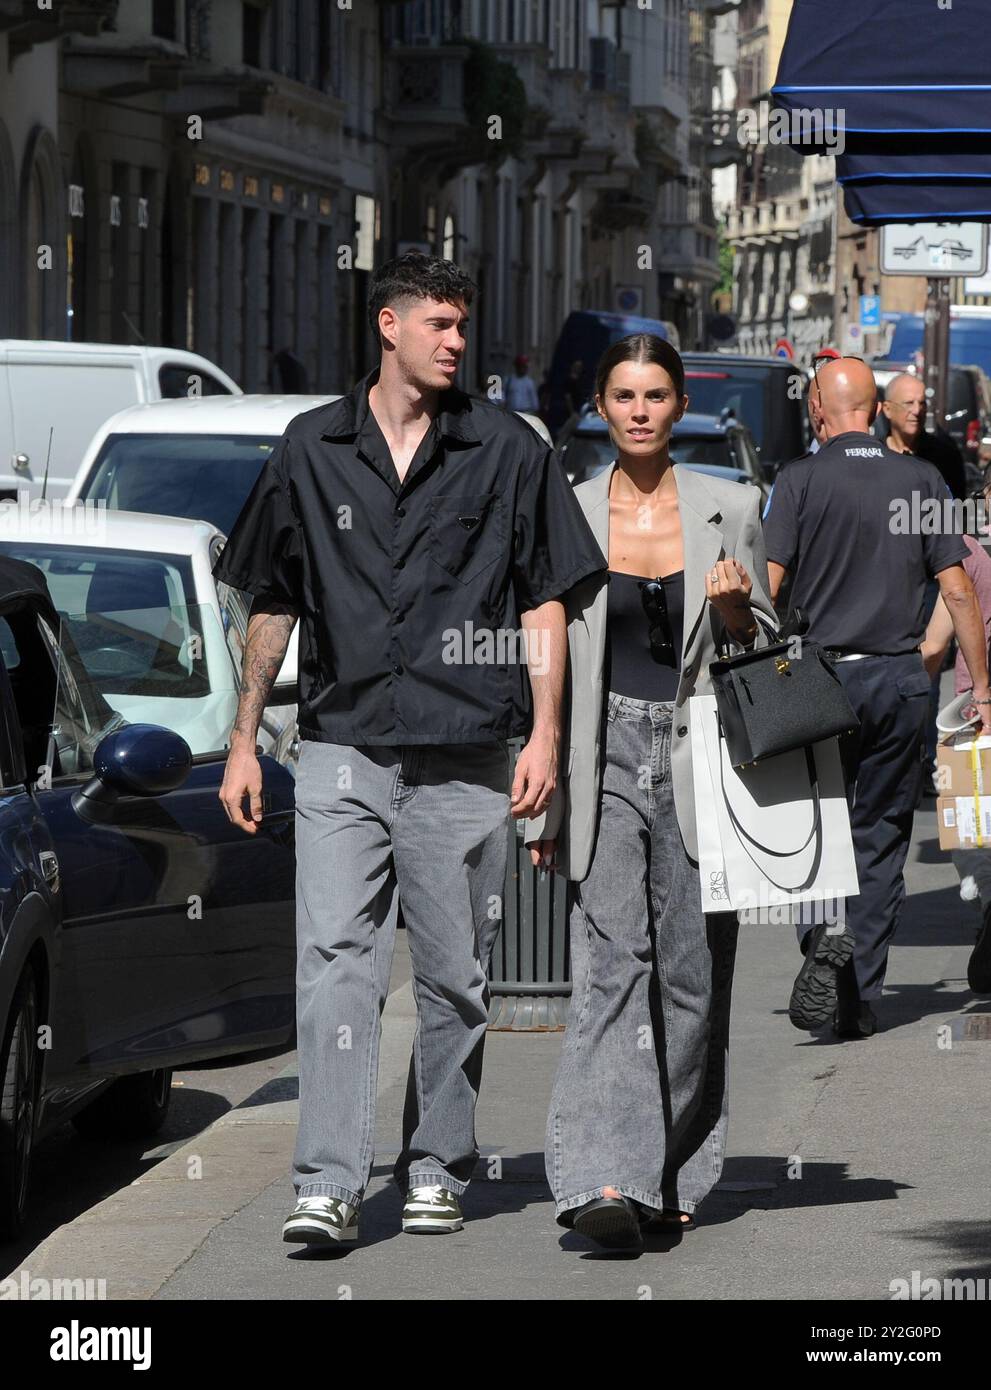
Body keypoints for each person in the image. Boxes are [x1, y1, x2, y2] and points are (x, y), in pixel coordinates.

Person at [211, 252, 606, 1246]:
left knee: (454, 977)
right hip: (340, 747)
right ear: (388, 326)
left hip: (465, 752)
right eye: (440, 323)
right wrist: (244, 740)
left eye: (462, 325)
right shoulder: (310, 448)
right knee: (333, 967)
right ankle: (327, 1184)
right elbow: (273, 599)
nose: (457, 341)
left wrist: (546, 733)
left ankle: (435, 1163)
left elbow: (544, 599)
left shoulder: (506, 448)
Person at [524, 334, 778, 1251]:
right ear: (599, 405)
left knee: (691, 975)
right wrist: (543, 761)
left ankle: (670, 1166)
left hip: (699, 752)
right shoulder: (568, 509)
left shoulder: (731, 505)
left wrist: (738, 611)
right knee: (609, 966)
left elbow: (767, 649)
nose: (639, 411)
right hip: (603, 754)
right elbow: (544, 643)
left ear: (679, 406)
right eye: (624, 396)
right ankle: (607, 1177)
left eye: (656, 395)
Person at [762, 356, 991, 1040]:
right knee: (881, 833)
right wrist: (981, 686)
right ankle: (858, 993)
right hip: (897, 679)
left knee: (812, 825)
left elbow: (767, 586)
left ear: (818, 411)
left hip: (816, 679)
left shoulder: (798, 479)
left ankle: (819, 940)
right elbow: (958, 590)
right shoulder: (920, 479)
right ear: (875, 409)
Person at [921, 530, 991, 993]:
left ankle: (988, 906)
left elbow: (933, 647)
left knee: (975, 830)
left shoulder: (964, 552)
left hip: (973, 715)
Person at [881, 371, 967, 501]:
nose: (917, 411)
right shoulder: (875, 455)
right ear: (887, 409)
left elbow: (958, 505)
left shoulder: (945, 455)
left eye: (922, 403)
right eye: (909, 403)